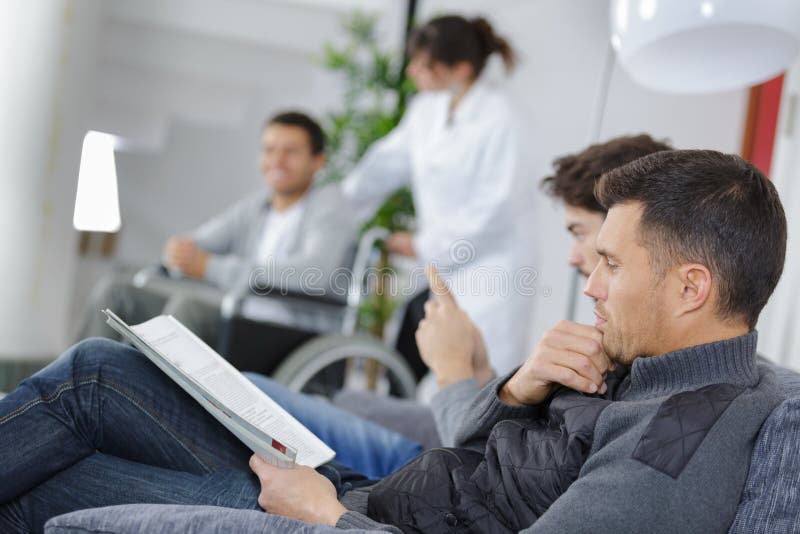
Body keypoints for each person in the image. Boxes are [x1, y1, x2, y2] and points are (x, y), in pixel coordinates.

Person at [1, 149, 787, 533]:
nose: (588, 280)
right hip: (370, 495)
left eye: (611, 262)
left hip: (349, 518)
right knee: (102, 371)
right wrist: (515, 393)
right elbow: (496, 468)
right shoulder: (640, 364)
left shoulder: (676, 441)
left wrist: (332, 518)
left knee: (51, 487)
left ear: (691, 288)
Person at [341, 15, 537, 375]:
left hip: (487, 274)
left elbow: (495, 208)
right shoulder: (427, 110)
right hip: (440, 268)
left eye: (424, 64)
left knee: (474, 379)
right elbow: (384, 164)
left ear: (460, 69)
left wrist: (424, 243)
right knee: (415, 368)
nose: (411, 72)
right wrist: (340, 207)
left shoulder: (502, 119)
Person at [76, 111, 356, 347]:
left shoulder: (330, 205)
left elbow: (315, 274)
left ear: (318, 161)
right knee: (116, 293)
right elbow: (201, 243)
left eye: (290, 152)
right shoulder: (257, 206)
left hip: (286, 330)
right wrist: (180, 251)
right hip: (239, 315)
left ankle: (130, 397)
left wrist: (212, 268)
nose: (277, 161)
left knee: (188, 309)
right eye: (269, 150)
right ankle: (77, 386)